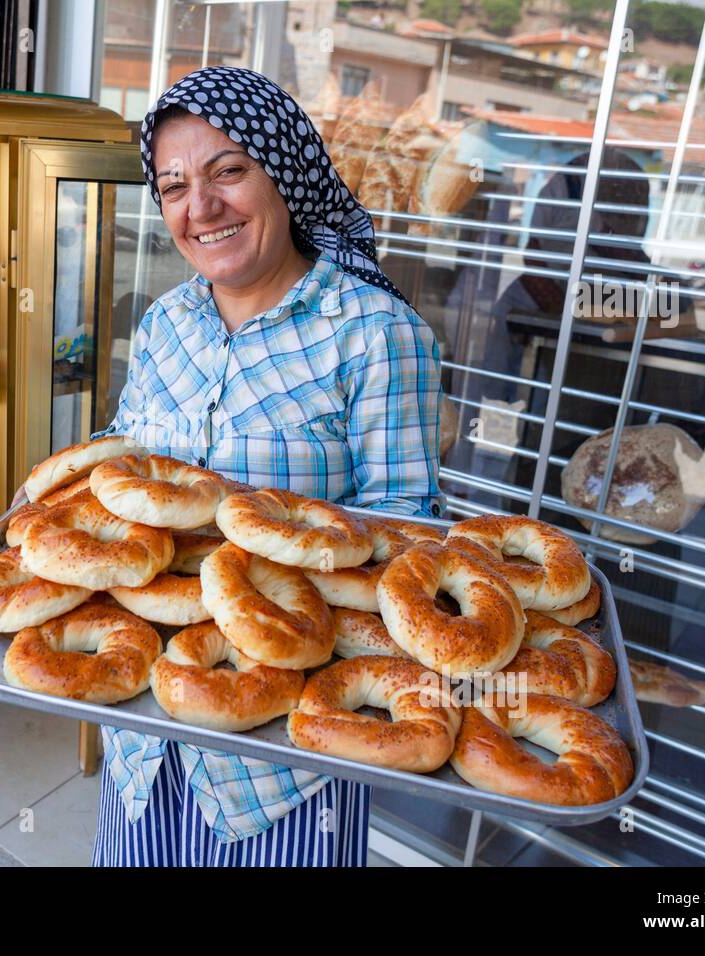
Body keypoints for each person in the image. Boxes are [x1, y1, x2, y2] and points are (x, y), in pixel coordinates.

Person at [78, 66, 442, 866]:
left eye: (227, 172)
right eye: (173, 186)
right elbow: (120, 473)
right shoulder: (165, 323)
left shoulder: (375, 334)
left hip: (284, 766)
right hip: (143, 731)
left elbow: (407, 551)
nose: (198, 208)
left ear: (285, 176)